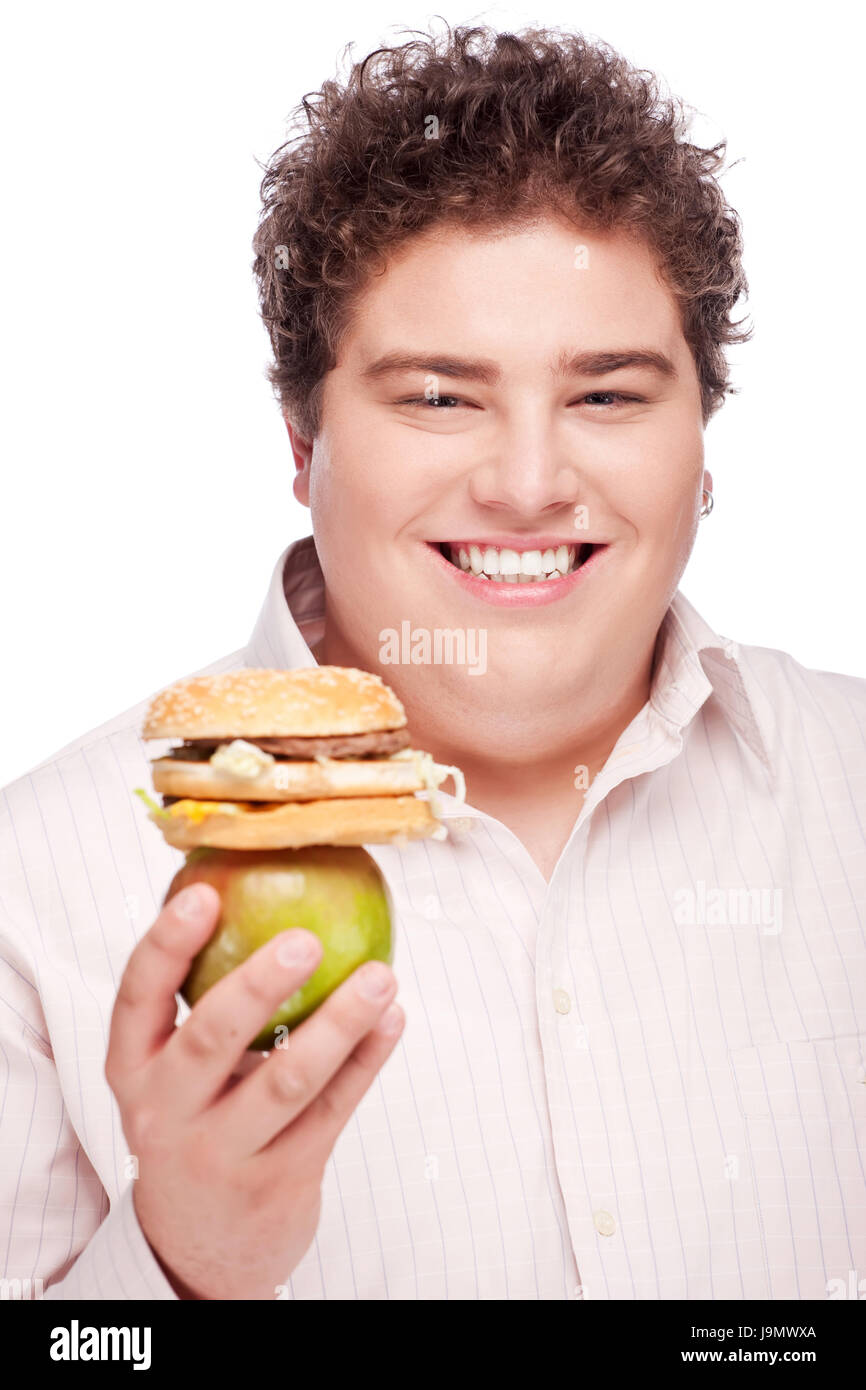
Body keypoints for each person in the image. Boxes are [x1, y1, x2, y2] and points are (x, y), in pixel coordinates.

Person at [2, 23, 864, 1302]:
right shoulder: (37, 889)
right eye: (438, 397)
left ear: (702, 437)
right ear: (301, 446)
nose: (527, 484)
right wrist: (182, 1267)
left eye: (609, 395)